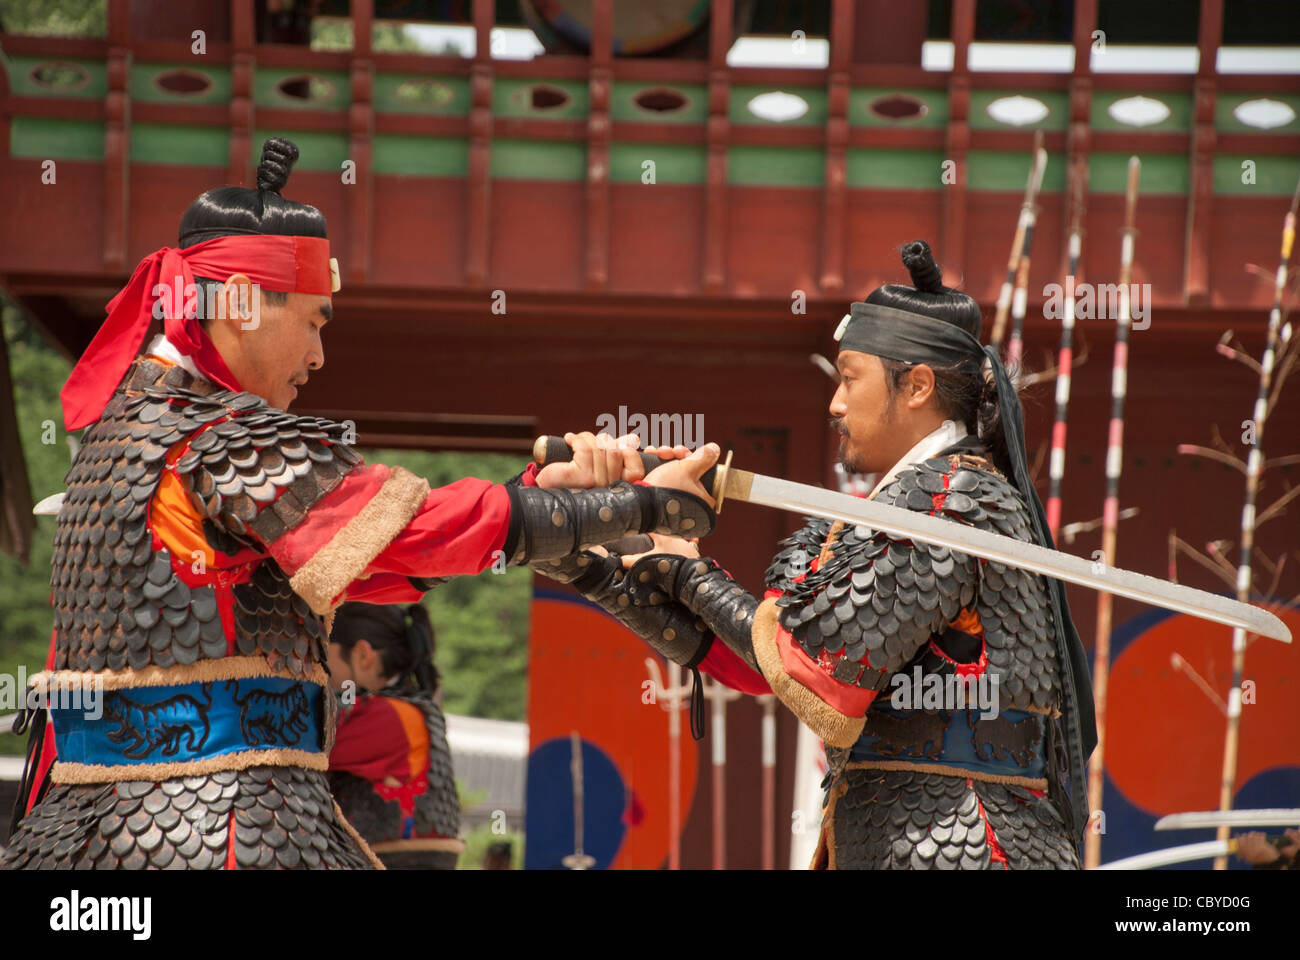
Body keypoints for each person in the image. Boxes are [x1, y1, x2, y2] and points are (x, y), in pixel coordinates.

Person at [2, 137, 716, 870]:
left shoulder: (125, 437)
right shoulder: (217, 438)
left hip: (97, 836)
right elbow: (404, 537)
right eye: (314, 320)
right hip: (215, 832)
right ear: (244, 302)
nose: (318, 356)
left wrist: (538, 501)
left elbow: (361, 564)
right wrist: (636, 507)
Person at [537, 241, 1097, 869]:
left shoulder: (950, 499)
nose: (834, 403)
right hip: (914, 835)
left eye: (849, 379)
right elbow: (765, 663)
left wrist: (682, 568)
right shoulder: (900, 505)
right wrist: (594, 547)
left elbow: (815, 673)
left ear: (916, 387)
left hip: (969, 842)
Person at [327, 602, 462, 869]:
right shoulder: (403, 710)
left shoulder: (391, 716)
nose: (318, 671)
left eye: (323, 657)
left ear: (363, 655)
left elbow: (293, 737)